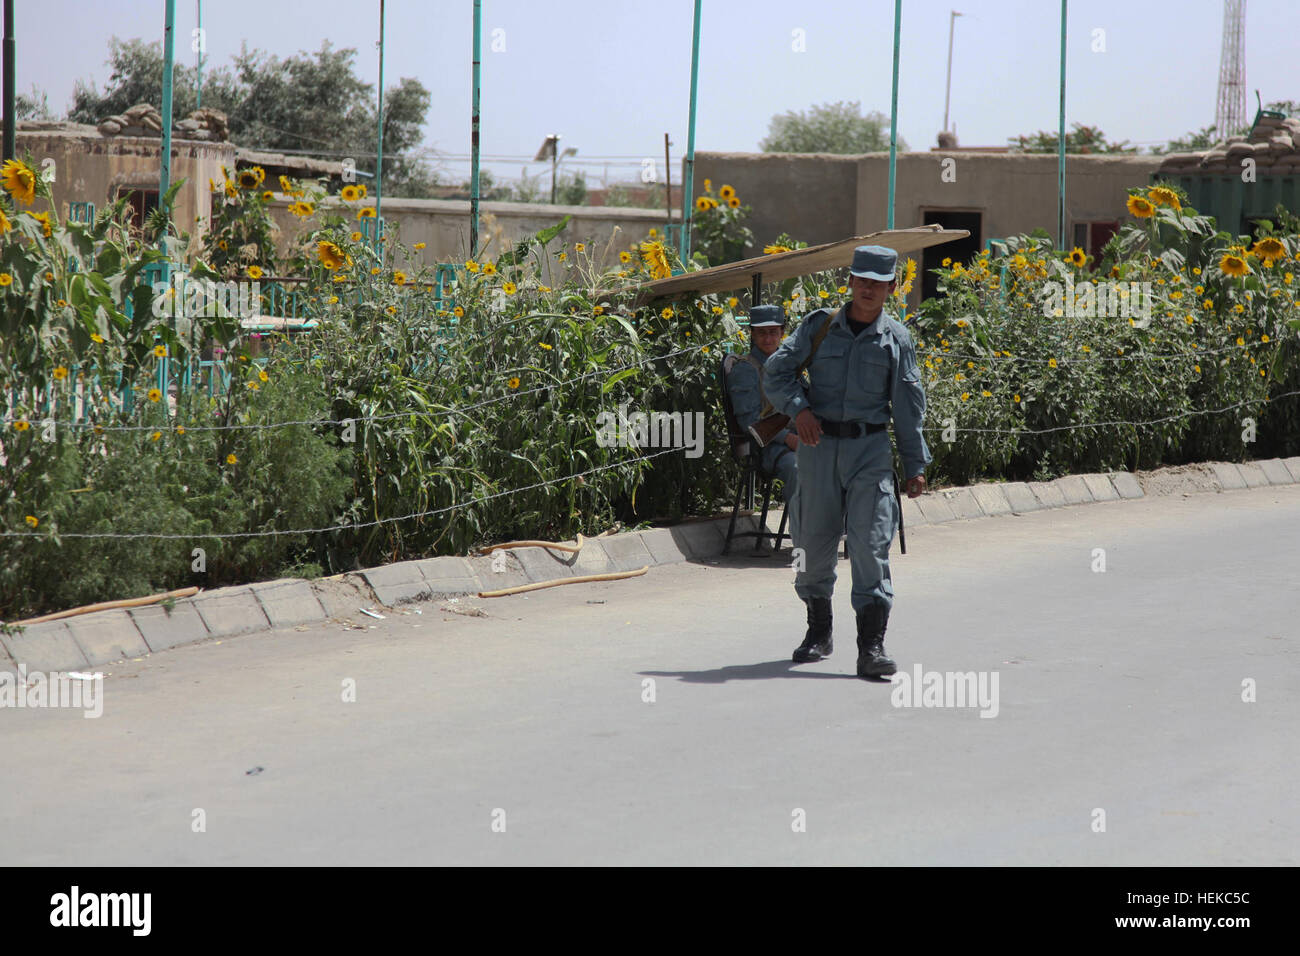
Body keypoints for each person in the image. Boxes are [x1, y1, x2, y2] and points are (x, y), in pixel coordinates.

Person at [762, 245, 930, 679]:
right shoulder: (819, 327)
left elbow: (908, 408)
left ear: (892, 288)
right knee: (811, 544)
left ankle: (871, 647)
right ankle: (819, 631)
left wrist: (915, 465)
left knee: (870, 543)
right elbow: (777, 373)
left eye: (879, 282)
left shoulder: (897, 340)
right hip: (818, 451)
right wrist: (799, 410)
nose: (869, 288)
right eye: (862, 280)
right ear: (850, 281)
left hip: (869, 450)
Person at [725, 304, 798, 509]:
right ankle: (807, 533)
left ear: (782, 332)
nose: (768, 339)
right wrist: (789, 439)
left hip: (798, 440)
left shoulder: (787, 366)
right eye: (761, 333)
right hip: (766, 449)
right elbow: (750, 422)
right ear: (752, 334)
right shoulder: (746, 370)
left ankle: (839, 530)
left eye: (773, 332)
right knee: (798, 468)